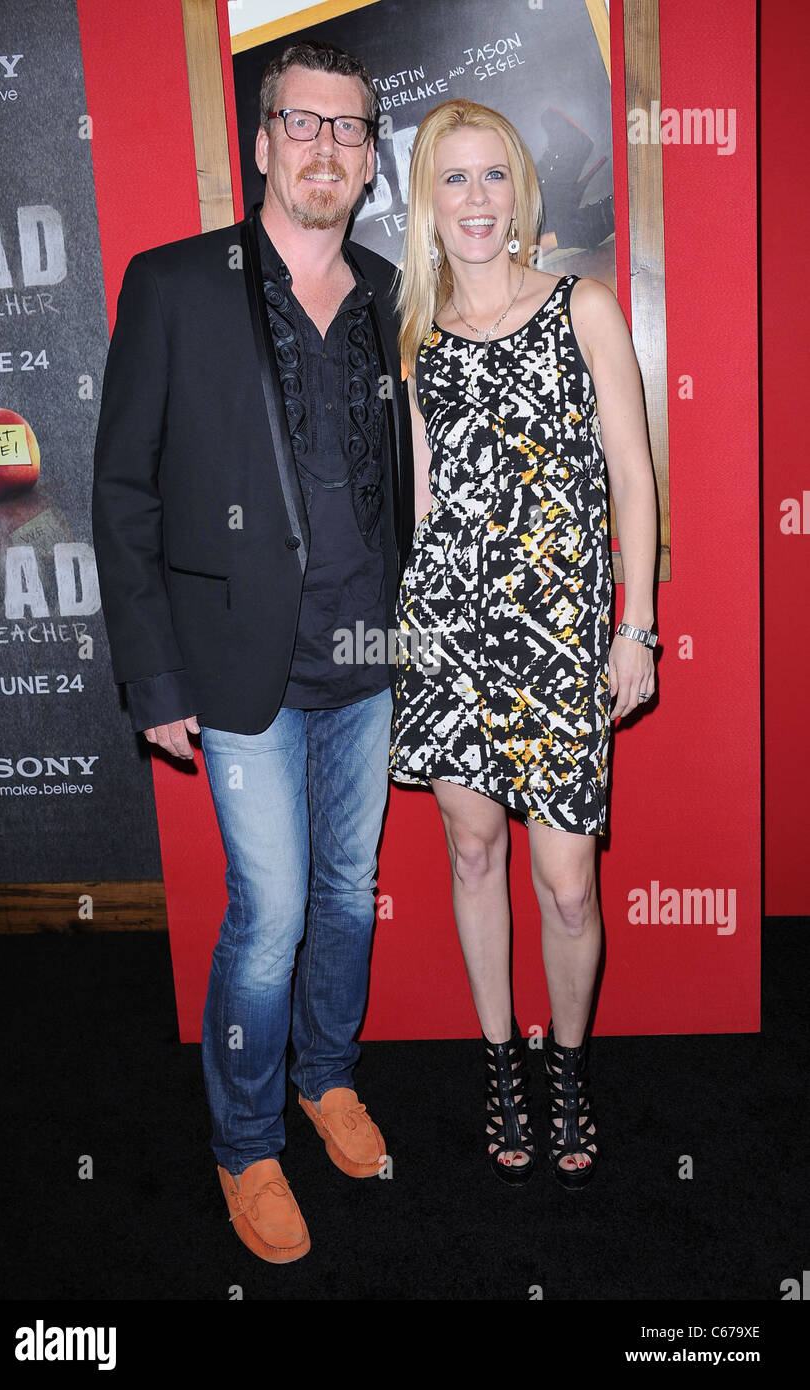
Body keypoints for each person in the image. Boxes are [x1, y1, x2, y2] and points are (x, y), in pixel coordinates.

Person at [92, 39, 414, 1261]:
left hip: (369, 664)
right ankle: (243, 1144)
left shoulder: (391, 290)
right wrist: (154, 674)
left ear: (368, 156)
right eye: (304, 123)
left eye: (348, 129)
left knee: (344, 893)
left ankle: (324, 1077)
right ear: (263, 138)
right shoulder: (175, 283)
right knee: (270, 907)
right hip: (238, 674)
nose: (325, 147)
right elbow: (121, 489)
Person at [389, 99, 658, 1189]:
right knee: (470, 851)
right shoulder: (412, 336)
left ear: (519, 192)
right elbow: (412, 503)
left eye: (490, 175)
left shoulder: (582, 307)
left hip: (559, 637)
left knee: (563, 883)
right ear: (423, 201)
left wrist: (632, 625)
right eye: (450, 179)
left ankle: (567, 1061)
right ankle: (500, 1056)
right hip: (449, 632)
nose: (473, 199)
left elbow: (634, 479)